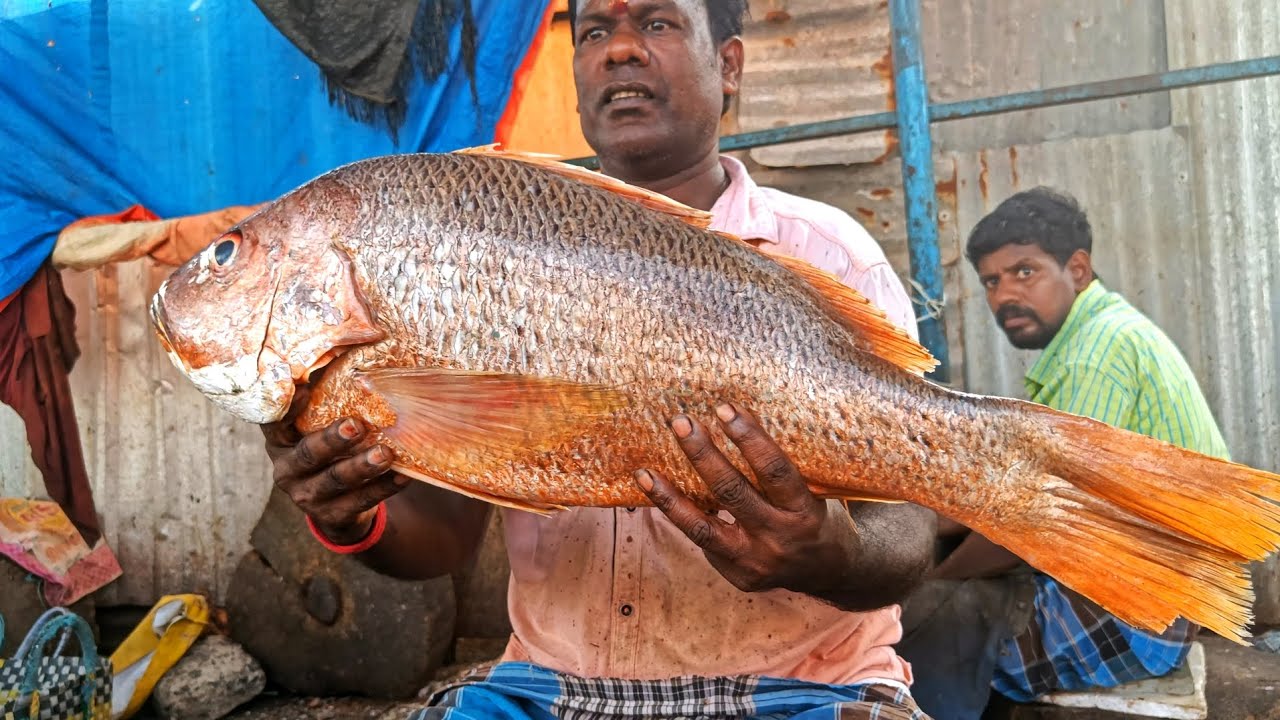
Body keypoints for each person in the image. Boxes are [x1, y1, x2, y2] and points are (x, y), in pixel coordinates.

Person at [263, 1, 936, 717]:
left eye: (656, 23)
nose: (619, 50)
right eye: (592, 32)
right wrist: (351, 519)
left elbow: (911, 522)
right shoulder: (487, 258)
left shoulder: (826, 257)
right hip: (549, 692)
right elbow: (446, 538)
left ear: (729, 65)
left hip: (801, 689)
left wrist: (834, 560)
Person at [897, 187, 1230, 720]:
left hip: (1139, 619)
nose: (1005, 294)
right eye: (991, 280)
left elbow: (1031, 525)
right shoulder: (1093, 338)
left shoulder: (1095, 357)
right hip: (1139, 594)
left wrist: (934, 580)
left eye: (1024, 272)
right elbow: (1008, 495)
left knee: (917, 625)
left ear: (1076, 269)